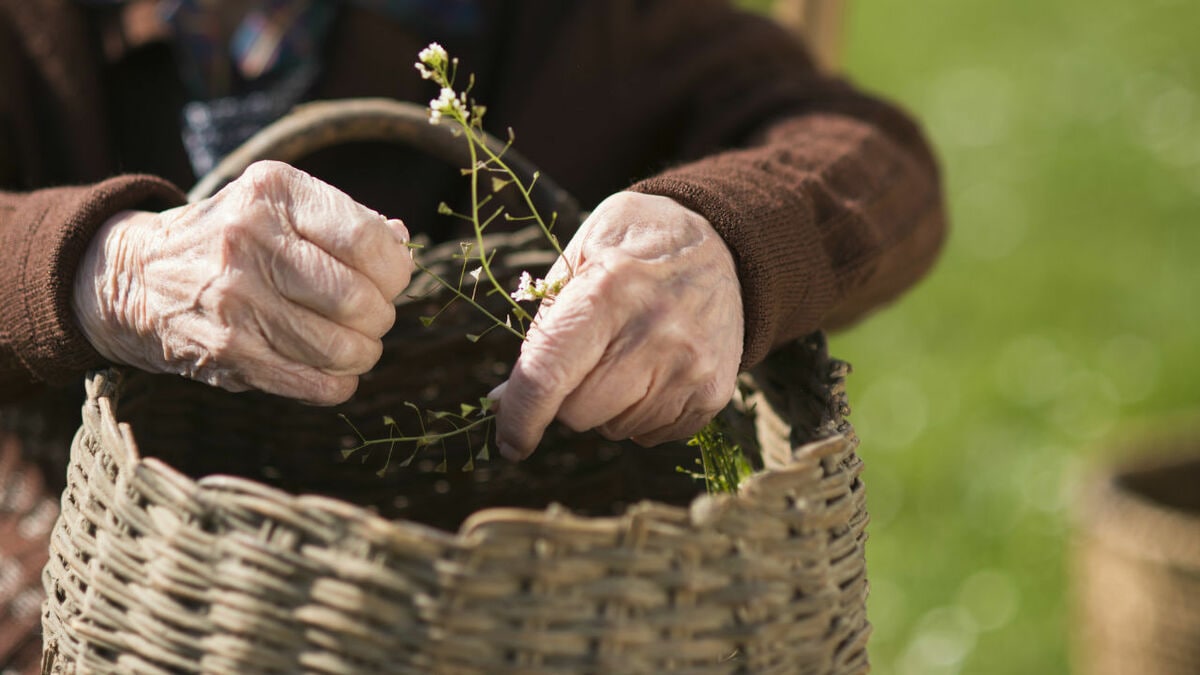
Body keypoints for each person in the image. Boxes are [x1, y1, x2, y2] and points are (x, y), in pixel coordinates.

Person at [0, 0, 946, 670]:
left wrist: (728, 241)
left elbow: (872, 153)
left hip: (550, 616)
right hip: (88, 597)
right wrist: (100, 267)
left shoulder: (559, 22)